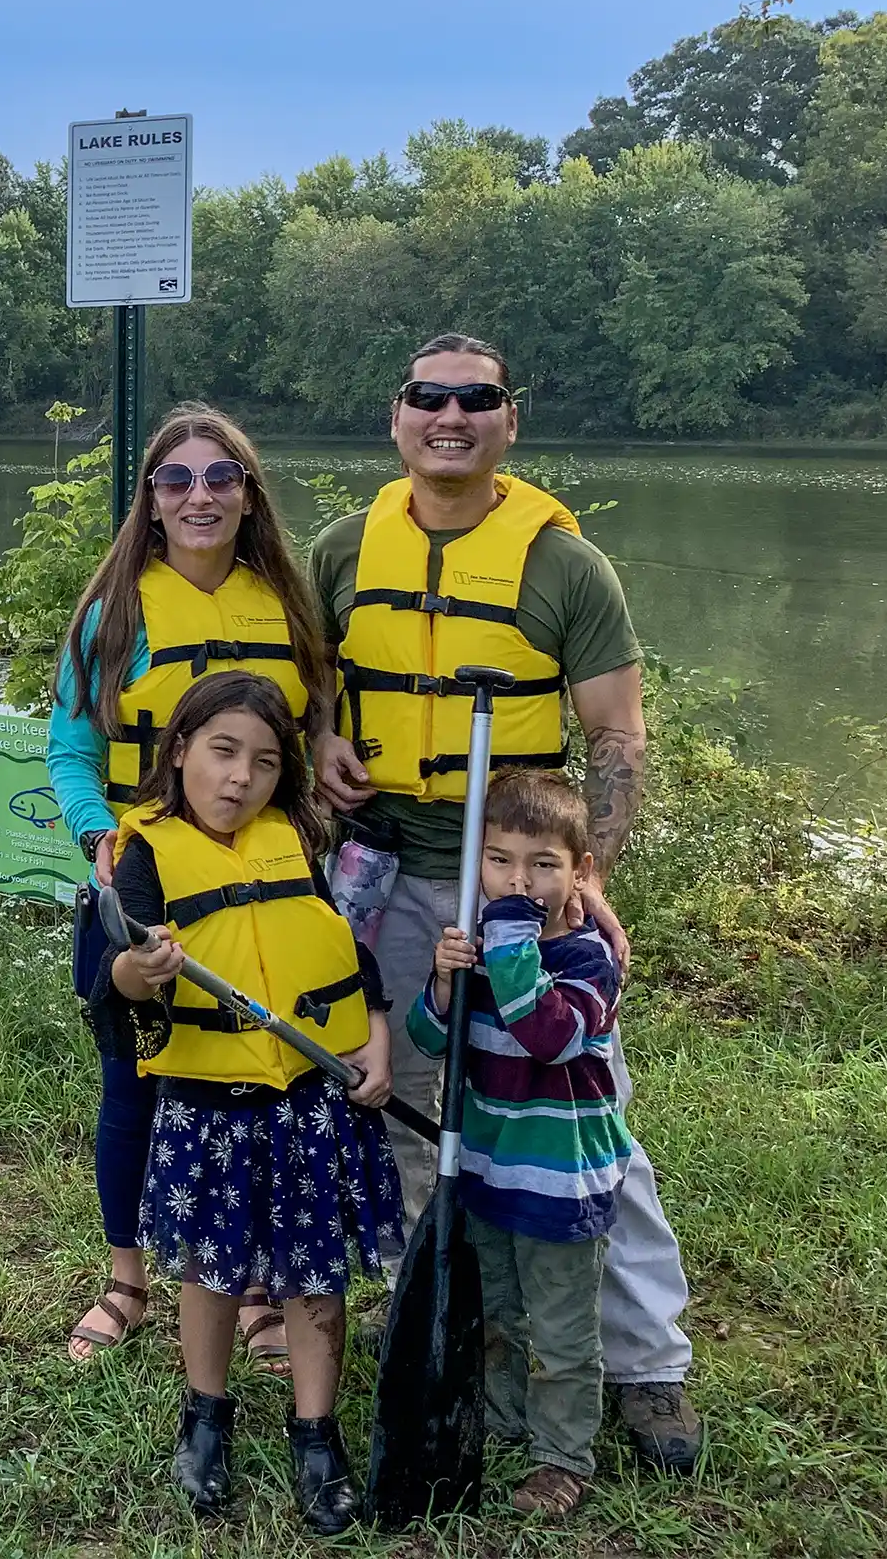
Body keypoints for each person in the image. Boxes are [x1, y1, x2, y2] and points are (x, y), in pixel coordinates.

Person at [310, 332, 703, 1473]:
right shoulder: (343, 549)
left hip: (518, 883)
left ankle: (644, 1360)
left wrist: (582, 882)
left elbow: (615, 735)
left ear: (507, 421)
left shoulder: (563, 566)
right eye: (428, 398)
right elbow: (315, 685)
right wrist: (325, 733)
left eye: (473, 400)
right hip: (390, 875)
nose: (449, 416)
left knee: (584, 1114)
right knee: (412, 1114)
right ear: (395, 418)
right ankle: (455, 1331)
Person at [47, 404, 334, 1374]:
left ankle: (250, 1283)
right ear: (152, 503)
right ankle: (127, 1277)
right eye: (176, 480)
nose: (199, 494)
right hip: (142, 879)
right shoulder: (115, 613)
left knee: (256, 1082)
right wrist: (99, 835)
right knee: (134, 1086)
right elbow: (70, 749)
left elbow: (314, 731)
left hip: (262, 889)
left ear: (248, 494)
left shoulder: (286, 608)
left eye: (220, 477)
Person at [92, 672, 401, 1533]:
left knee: (316, 1273)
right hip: (208, 1103)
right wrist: (136, 970)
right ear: (181, 748)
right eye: (223, 752)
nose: (240, 779)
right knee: (212, 1271)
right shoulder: (143, 852)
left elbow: (342, 945)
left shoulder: (295, 837)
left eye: (265, 763)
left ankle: (316, 1434)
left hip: (310, 1097)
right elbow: (113, 987)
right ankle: (206, 1416)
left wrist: (374, 1036)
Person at [406, 769, 633, 1517]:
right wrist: (444, 984)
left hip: (562, 1180)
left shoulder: (588, 960)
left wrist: (504, 943)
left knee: (563, 1330)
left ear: (580, 873)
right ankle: (504, 1419)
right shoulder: (479, 949)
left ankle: (563, 1455)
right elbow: (429, 1039)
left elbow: (546, 1037)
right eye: (499, 860)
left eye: (543, 864)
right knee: (497, 1310)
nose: (518, 880)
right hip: (487, 1170)